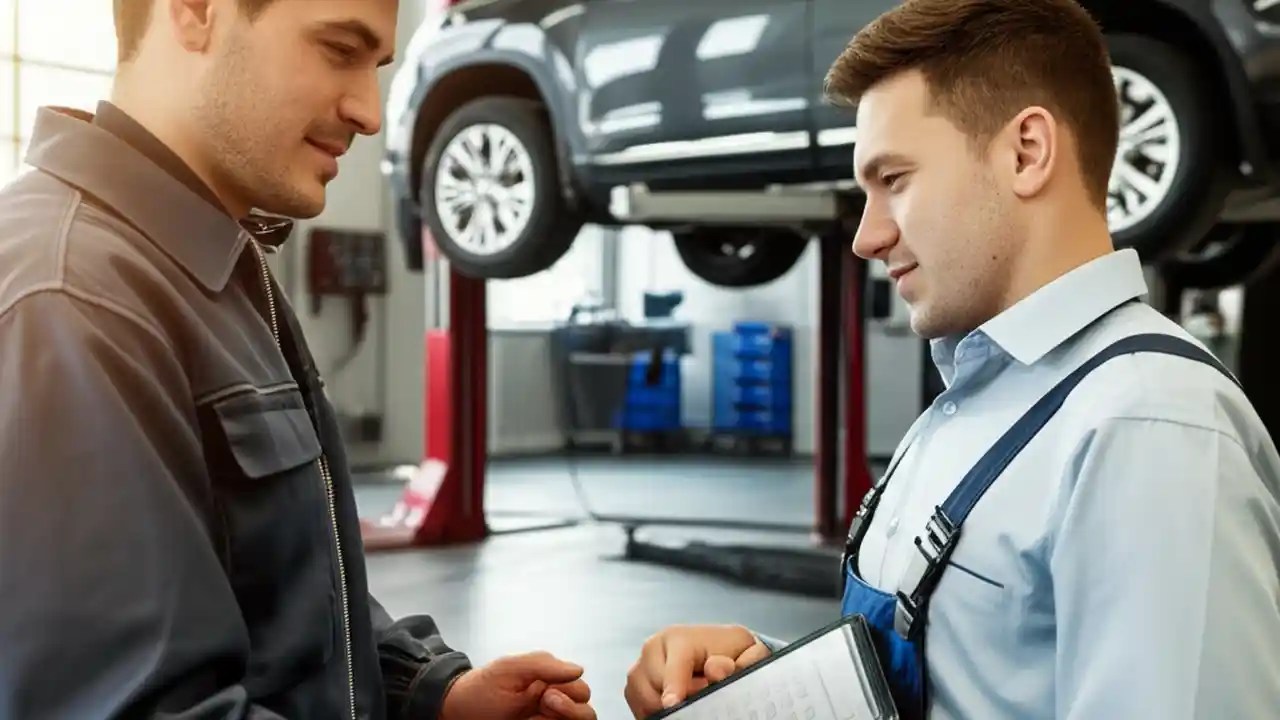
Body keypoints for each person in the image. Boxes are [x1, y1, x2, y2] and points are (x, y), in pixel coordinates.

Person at [624, 0, 1280, 718]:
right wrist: (760, 671)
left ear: (1026, 152)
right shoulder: (963, 407)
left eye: (894, 180)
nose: (866, 237)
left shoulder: (1147, 427)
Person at [0, 1, 595, 718]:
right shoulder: (75, 298)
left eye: (375, 67)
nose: (370, 113)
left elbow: (282, 587)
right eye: (340, 49)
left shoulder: (213, 265)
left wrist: (431, 694)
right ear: (195, 12)